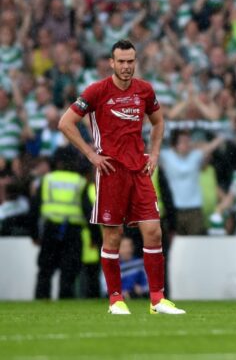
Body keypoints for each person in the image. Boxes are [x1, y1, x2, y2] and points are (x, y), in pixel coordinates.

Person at [58, 39, 185, 315]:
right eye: (122, 61)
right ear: (112, 63)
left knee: (153, 232)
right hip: (111, 171)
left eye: (131, 61)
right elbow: (65, 123)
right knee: (113, 237)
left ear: (135, 62)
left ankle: (157, 300)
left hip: (139, 171)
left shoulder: (145, 90)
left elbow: (159, 121)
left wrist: (154, 154)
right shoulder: (96, 91)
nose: (127, 66)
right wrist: (91, 155)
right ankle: (116, 299)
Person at [32, 146, 92, 299]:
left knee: (45, 270)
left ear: (57, 162)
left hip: (51, 229)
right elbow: (88, 211)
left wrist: (34, 234)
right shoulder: (79, 182)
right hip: (73, 231)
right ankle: (65, 299)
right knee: (69, 272)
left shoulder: (47, 180)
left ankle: (41, 299)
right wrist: (95, 237)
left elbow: (35, 209)